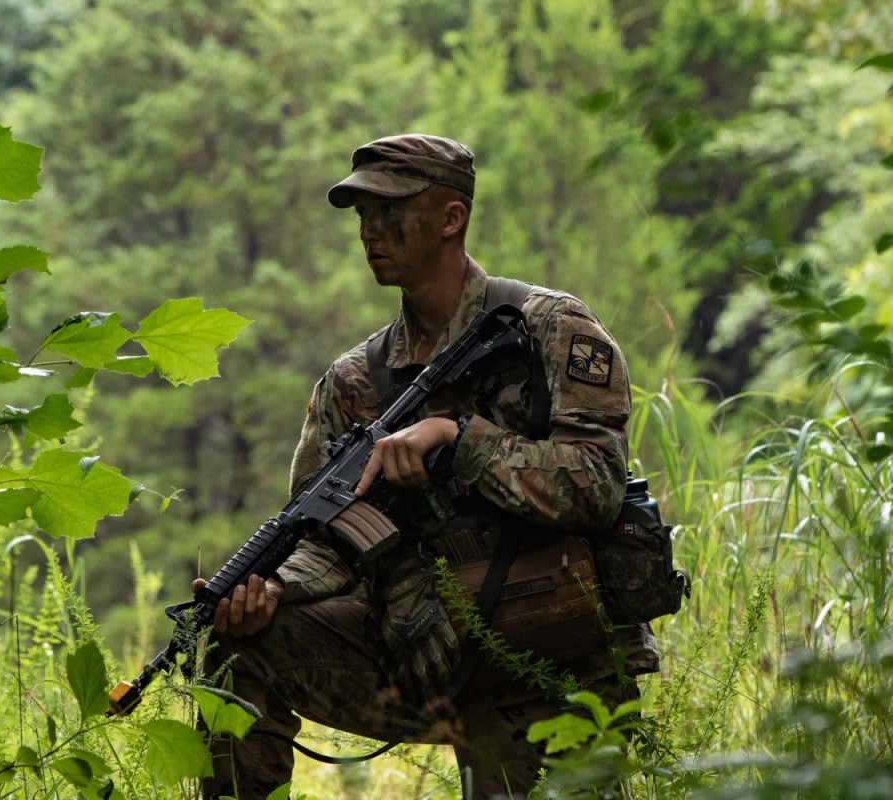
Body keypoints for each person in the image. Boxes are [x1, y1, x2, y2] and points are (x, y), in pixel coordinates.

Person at [196, 134, 659, 800]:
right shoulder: (354, 381)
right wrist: (272, 589)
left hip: (549, 656)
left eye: (389, 212)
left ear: (451, 218)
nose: (369, 231)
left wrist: (459, 437)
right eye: (361, 215)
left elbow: (596, 485)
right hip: (421, 649)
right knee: (237, 644)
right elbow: (323, 536)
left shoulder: (550, 330)